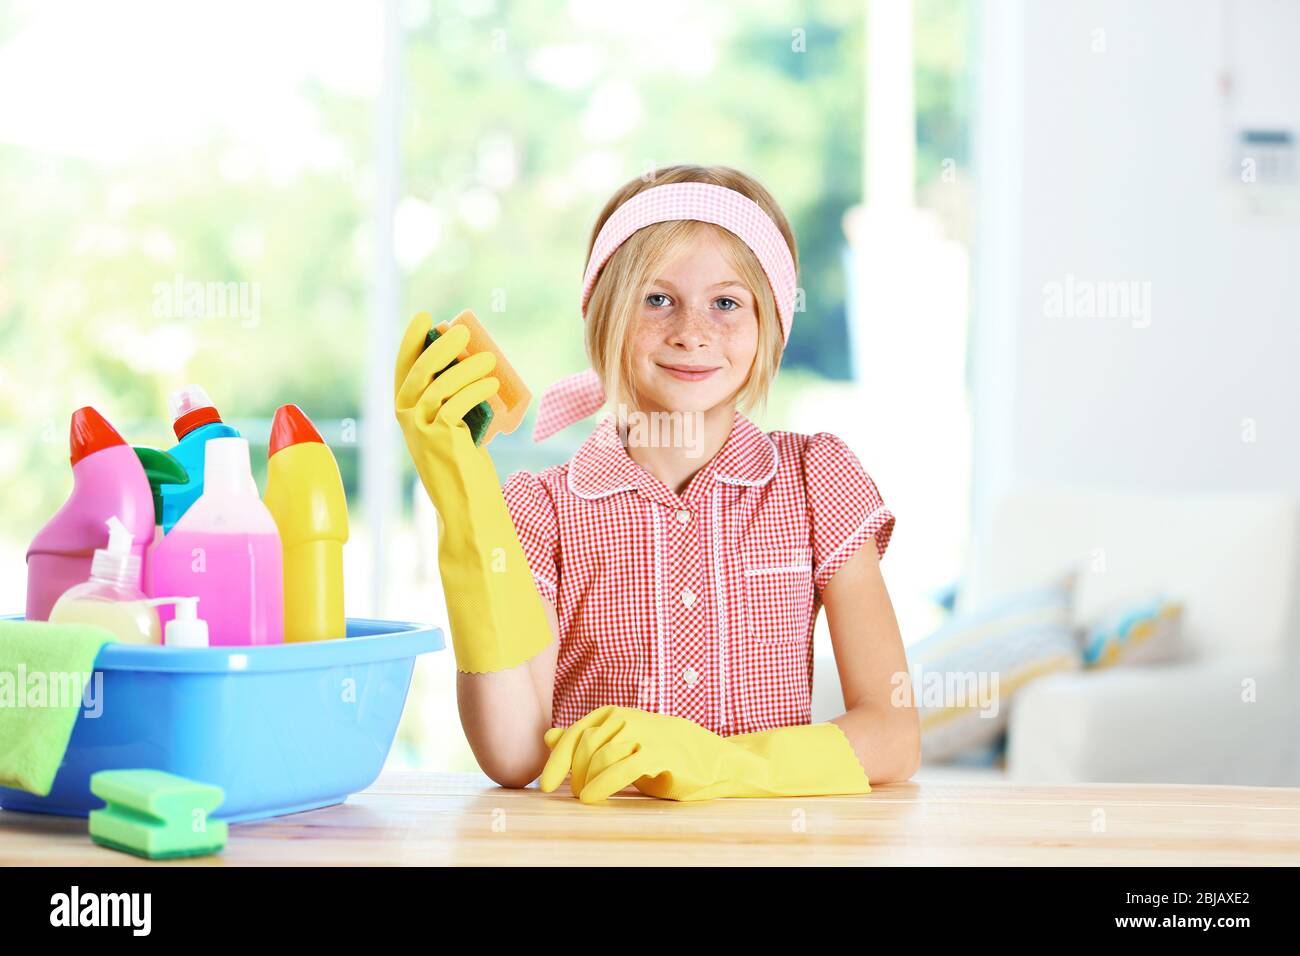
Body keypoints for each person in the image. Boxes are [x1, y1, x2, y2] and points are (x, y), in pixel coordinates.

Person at [395, 164, 919, 804]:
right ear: (605, 315)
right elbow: (512, 751)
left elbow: (893, 734)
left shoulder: (816, 481)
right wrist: (466, 506)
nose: (691, 331)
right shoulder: (541, 509)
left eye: (727, 303)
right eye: (656, 298)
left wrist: (726, 764)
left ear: (770, 325)